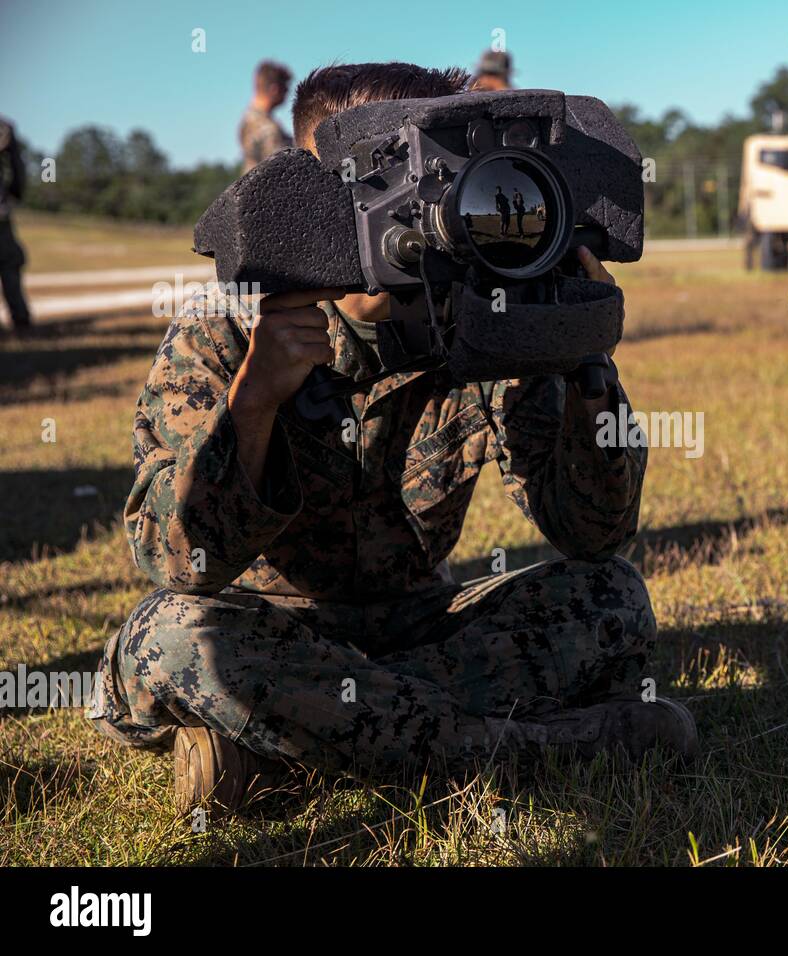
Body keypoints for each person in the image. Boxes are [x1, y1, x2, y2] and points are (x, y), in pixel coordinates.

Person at [86, 61, 696, 815]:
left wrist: (581, 362)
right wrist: (255, 401)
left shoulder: (478, 323)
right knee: (174, 637)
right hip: (262, 627)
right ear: (309, 196)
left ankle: (289, 749)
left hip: (413, 628)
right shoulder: (226, 327)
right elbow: (177, 563)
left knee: (612, 600)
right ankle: (519, 753)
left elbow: (593, 534)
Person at [0, 116, 32, 332]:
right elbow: (17, 166)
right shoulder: (3, 127)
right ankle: (21, 320)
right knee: (9, 263)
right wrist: (14, 193)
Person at [238, 60, 293, 173]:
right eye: (286, 89)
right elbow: (282, 170)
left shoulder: (249, 119)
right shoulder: (266, 128)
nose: (287, 94)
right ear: (275, 89)